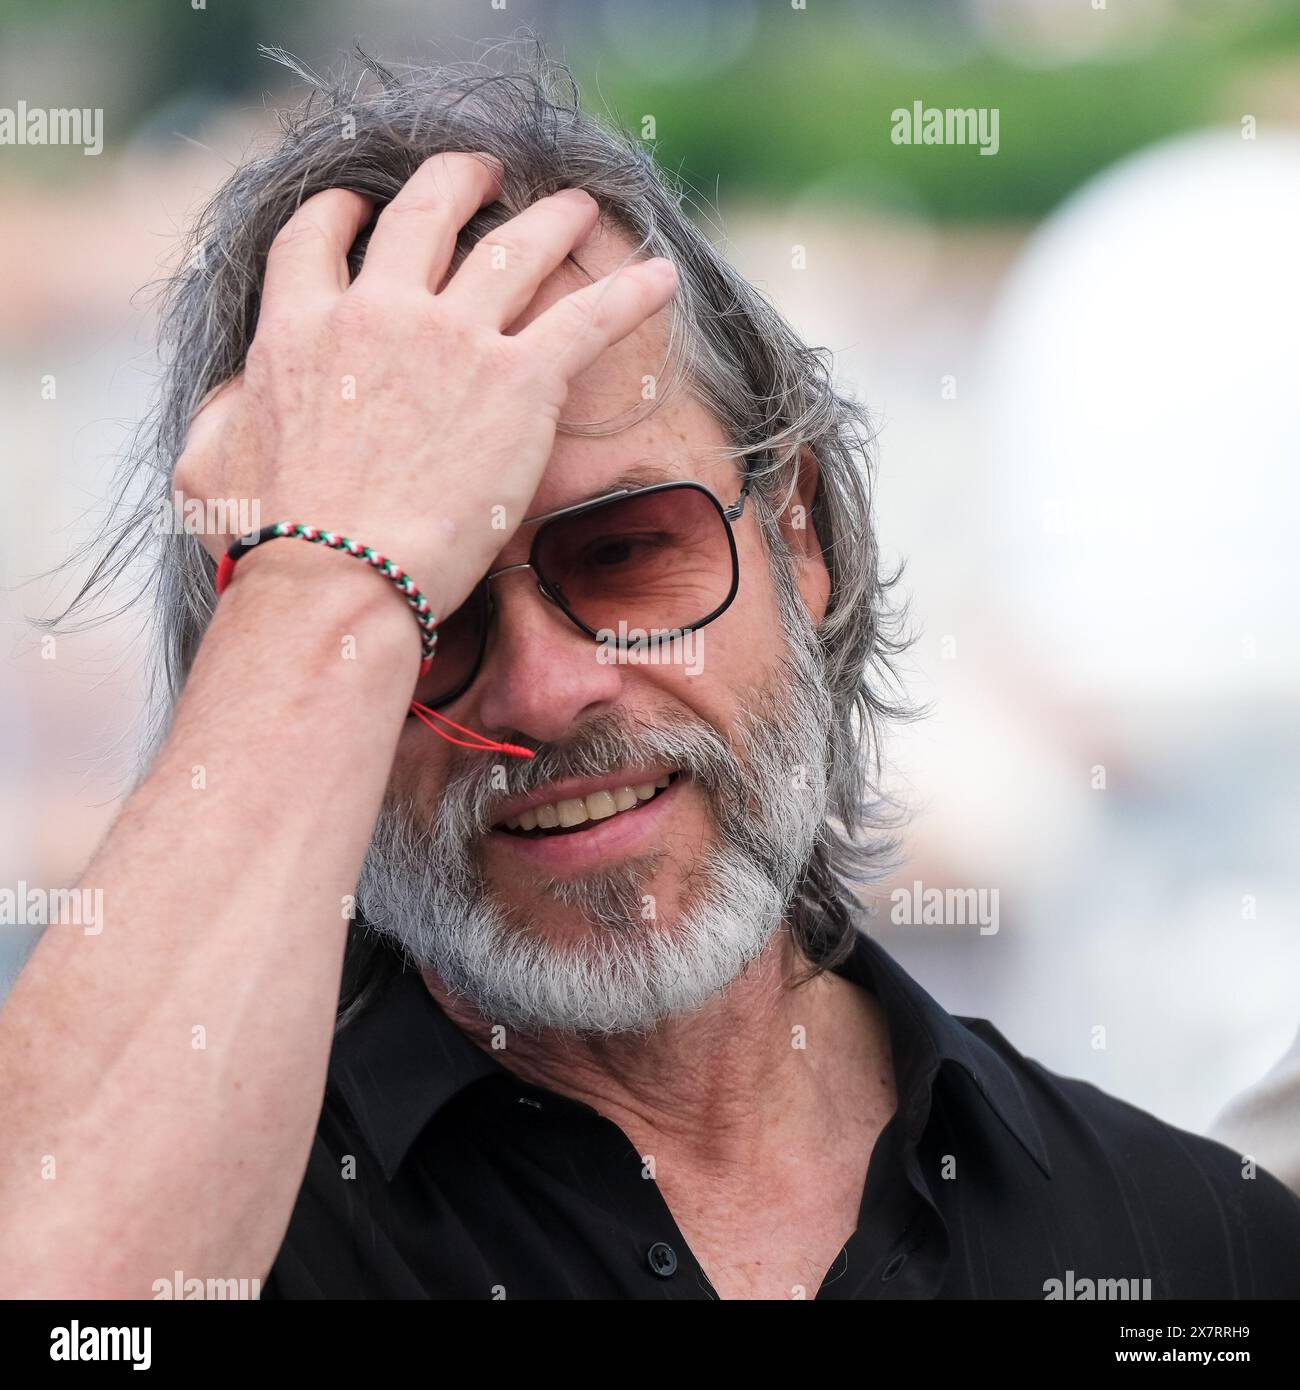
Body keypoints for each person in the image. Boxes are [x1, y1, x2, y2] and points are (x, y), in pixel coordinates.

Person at [2, 48, 1297, 1301]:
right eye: (428, 605)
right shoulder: (239, 1232)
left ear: (802, 533)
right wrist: (318, 577)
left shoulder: (1193, 1238)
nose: (550, 688)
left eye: (626, 551)